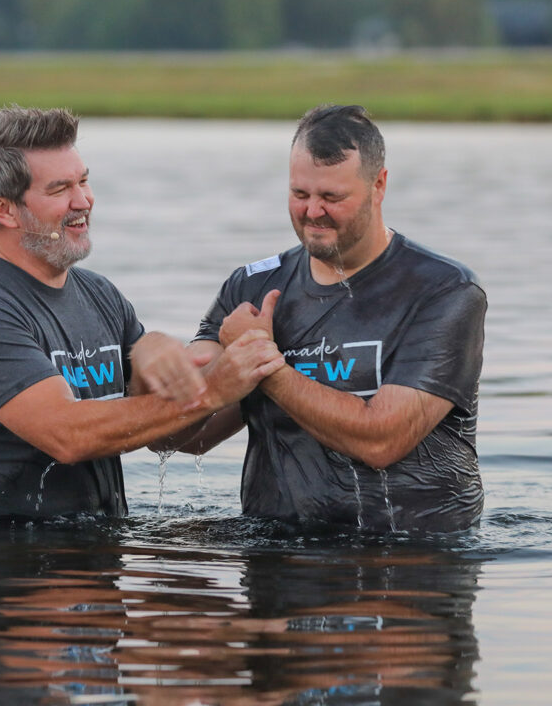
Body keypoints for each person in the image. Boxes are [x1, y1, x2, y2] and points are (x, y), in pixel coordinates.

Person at [0, 106, 282, 526]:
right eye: (60, 189)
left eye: (84, 181)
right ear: (4, 209)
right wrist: (214, 390)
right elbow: (67, 435)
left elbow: (168, 433)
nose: (83, 201)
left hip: (93, 546)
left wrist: (256, 376)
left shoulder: (100, 295)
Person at [171, 104, 487, 533]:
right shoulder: (252, 288)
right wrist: (155, 363)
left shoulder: (444, 290)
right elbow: (182, 435)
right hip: (277, 547)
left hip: (412, 551)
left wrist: (263, 363)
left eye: (332, 198)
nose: (313, 212)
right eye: (300, 195)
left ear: (379, 185)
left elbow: (382, 440)